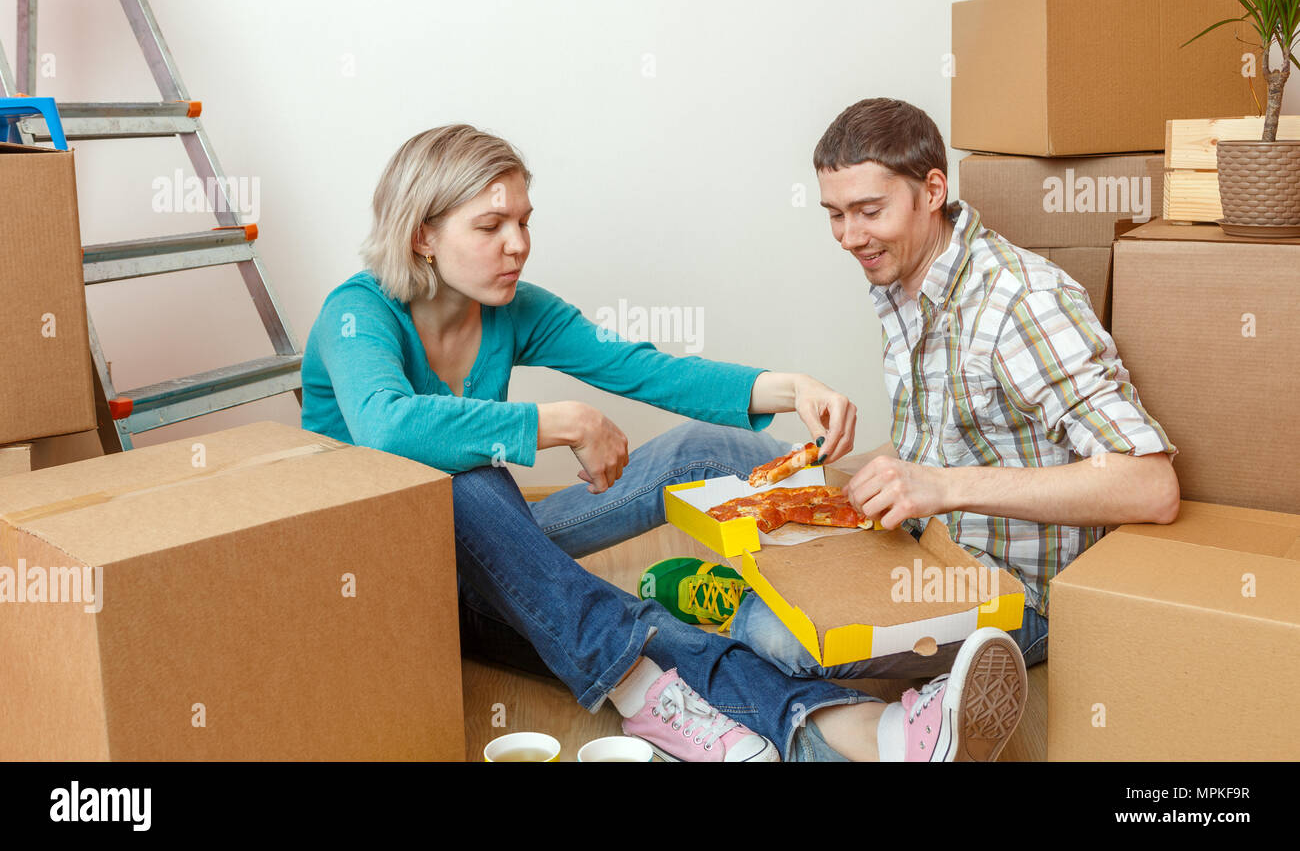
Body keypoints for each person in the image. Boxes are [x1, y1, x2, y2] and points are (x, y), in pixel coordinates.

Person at [299, 123, 1030, 761]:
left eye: (524, 221)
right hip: (392, 582)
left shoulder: (511, 309)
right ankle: (836, 723)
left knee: (705, 453)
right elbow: (386, 424)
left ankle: (869, 645)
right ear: (423, 234)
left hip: (499, 549)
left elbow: (643, 368)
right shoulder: (355, 313)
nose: (517, 245)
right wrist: (561, 422)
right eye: (490, 227)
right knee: (477, 487)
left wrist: (790, 388)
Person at [666, 97, 1180, 684]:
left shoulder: (1021, 302)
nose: (848, 237)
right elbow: (948, 443)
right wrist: (848, 470)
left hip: (1014, 593)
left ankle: (737, 619)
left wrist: (942, 486)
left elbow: (1151, 485)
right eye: (835, 214)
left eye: (869, 210)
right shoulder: (902, 284)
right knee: (710, 455)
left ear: (932, 190)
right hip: (919, 545)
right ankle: (750, 597)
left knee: (770, 631)